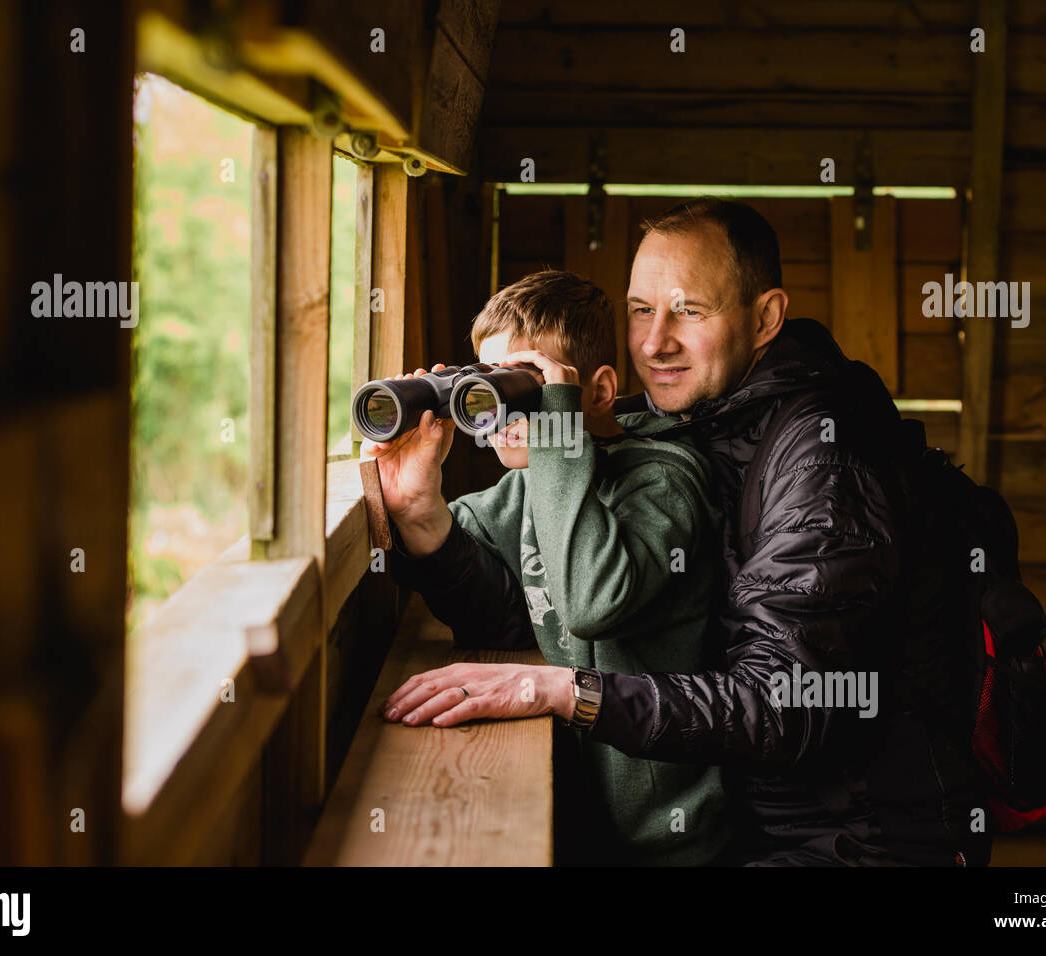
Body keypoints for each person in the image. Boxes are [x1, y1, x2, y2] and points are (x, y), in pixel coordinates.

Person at [379, 198, 992, 867]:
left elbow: (781, 703)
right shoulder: (699, 421)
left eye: (688, 311)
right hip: (757, 824)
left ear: (765, 318)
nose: (653, 341)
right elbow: (541, 608)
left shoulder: (824, 458)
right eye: (641, 310)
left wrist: (564, 692)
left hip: (851, 841)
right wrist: (420, 512)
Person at [366, 269, 736, 865]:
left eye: (526, 383)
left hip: (665, 843)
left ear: (595, 391)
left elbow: (592, 603)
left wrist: (554, 429)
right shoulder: (528, 485)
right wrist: (418, 511)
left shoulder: (662, 480)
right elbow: (494, 615)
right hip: (578, 820)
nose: (503, 408)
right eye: (486, 384)